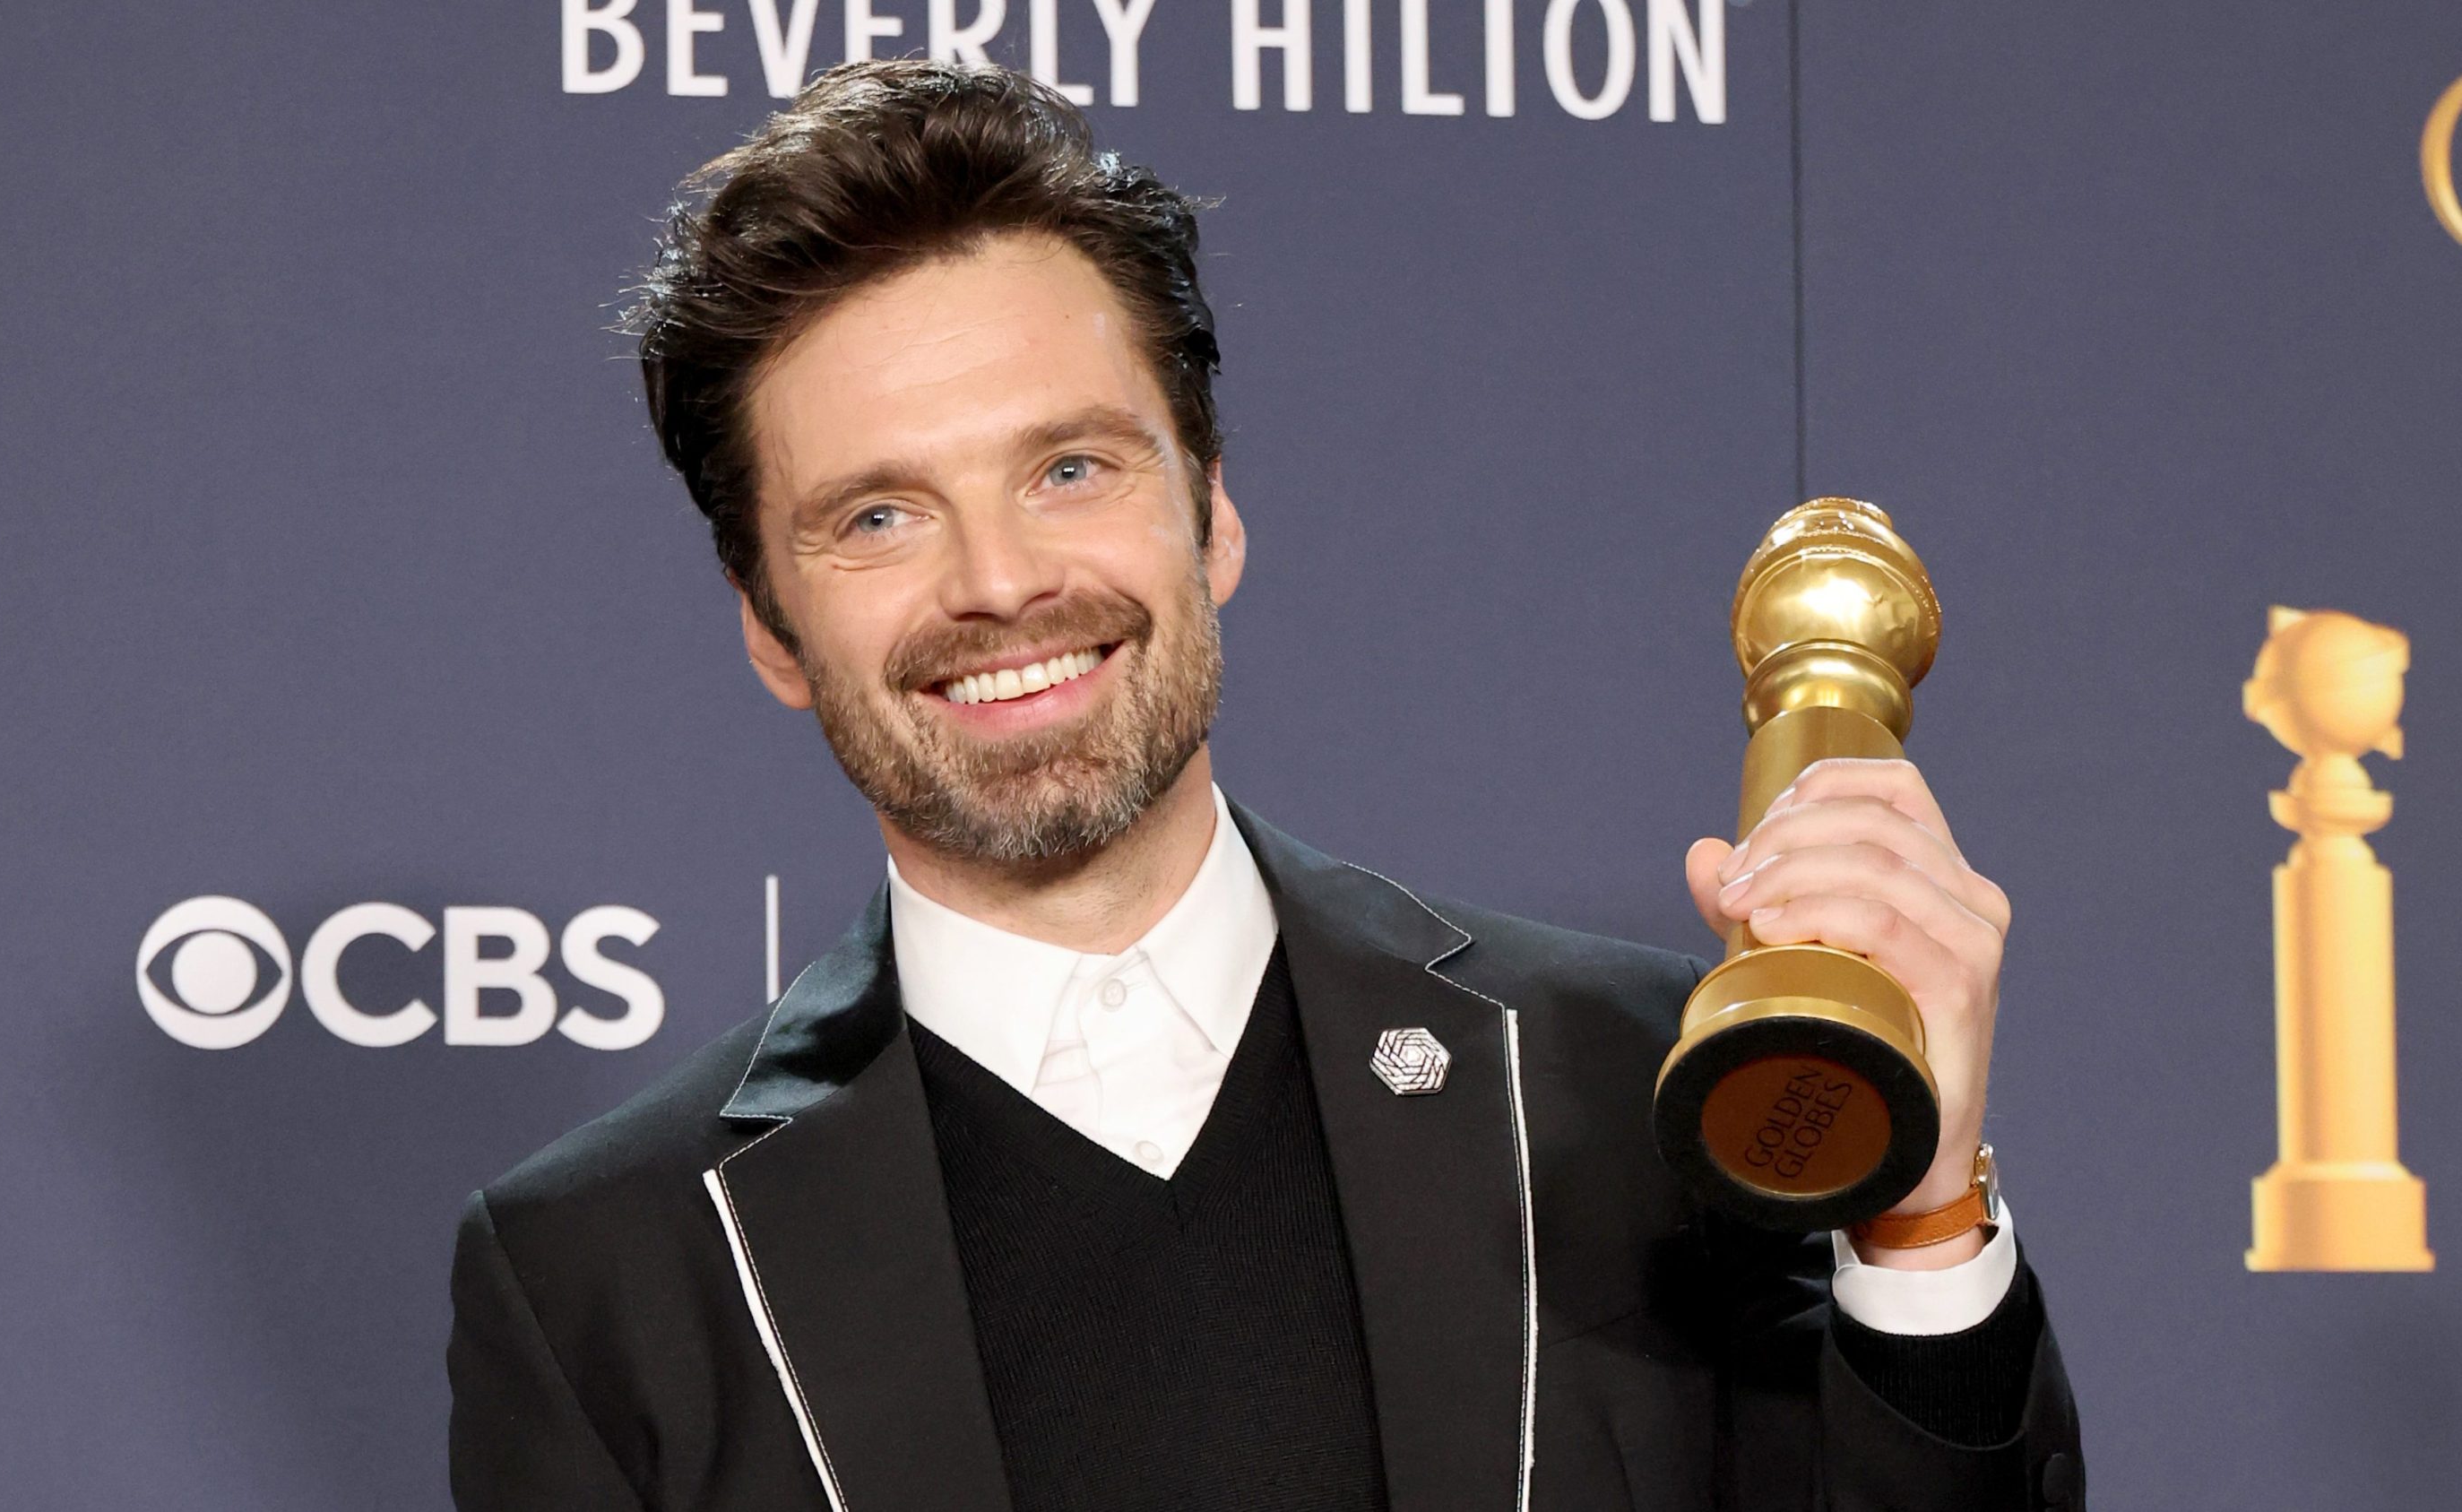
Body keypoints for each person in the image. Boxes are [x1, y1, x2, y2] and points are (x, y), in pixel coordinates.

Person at [446, 59, 2082, 1512]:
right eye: (878, 516)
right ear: (771, 628)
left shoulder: (1652, 1092)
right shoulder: (605, 1273)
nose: (1000, 582)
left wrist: (1919, 1216)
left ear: (1210, 513)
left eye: (1070, 467)